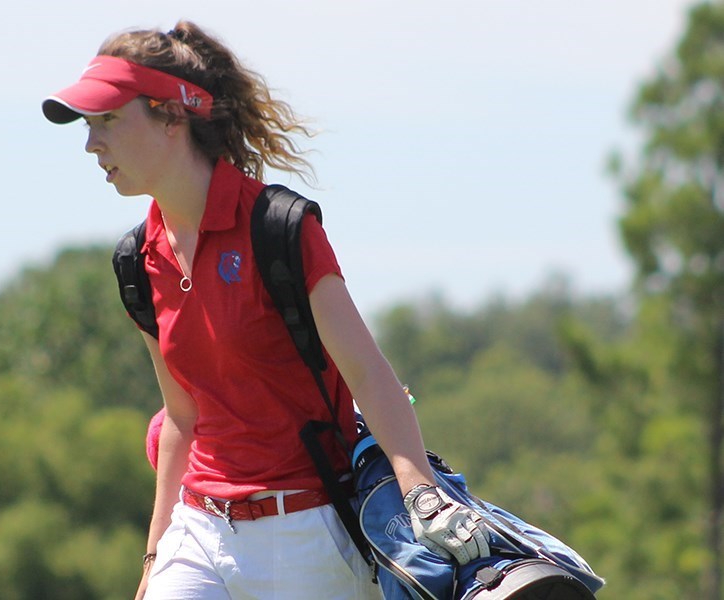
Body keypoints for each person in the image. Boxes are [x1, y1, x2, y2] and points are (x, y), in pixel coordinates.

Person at [41, 20, 489, 600]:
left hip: (304, 536)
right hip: (199, 528)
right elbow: (181, 416)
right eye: (88, 125)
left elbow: (367, 373)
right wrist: (154, 554)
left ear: (172, 116)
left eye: (107, 120)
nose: (91, 144)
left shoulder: (279, 228)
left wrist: (420, 491)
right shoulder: (137, 259)